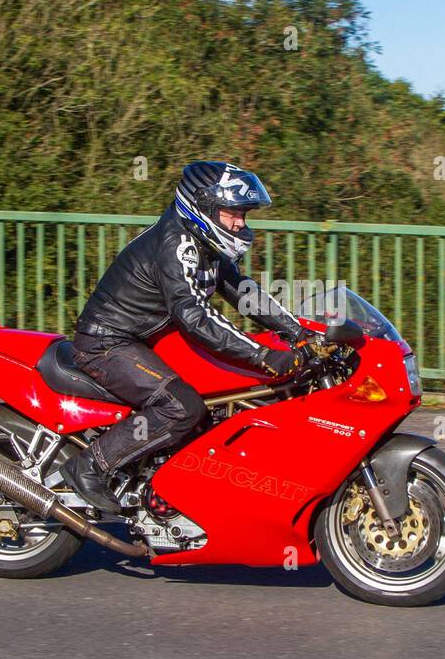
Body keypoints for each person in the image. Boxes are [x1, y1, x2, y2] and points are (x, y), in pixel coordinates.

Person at [60, 161, 307, 510]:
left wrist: (299, 332)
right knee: (181, 406)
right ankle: (90, 466)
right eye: (232, 213)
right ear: (202, 207)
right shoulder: (177, 246)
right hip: (107, 344)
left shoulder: (205, 244)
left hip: (147, 337)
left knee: (225, 398)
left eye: (244, 214)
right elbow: (194, 315)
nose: (240, 223)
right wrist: (263, 354)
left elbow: (242, 292)